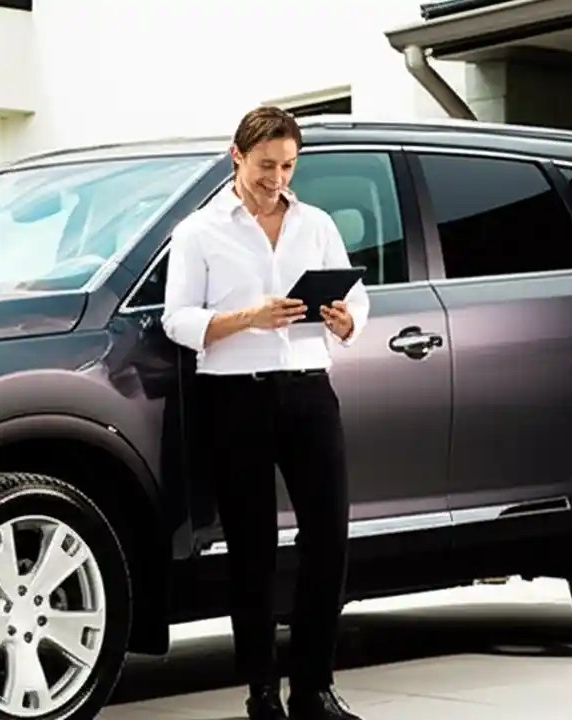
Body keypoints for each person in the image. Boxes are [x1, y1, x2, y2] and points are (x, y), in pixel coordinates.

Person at [161, 105, 369, 720]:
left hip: (309, 391)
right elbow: (177, 319)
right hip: (236, 398)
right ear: (236, 157)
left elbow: (358, 298)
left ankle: (313, 690)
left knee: (329, 539)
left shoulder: (317, 224)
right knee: (251, 549)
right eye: (264, 166)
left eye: (287, 166)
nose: (276, 179)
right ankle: (262, 693)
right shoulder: (198, 232)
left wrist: (346, 320)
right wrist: (247, 319)